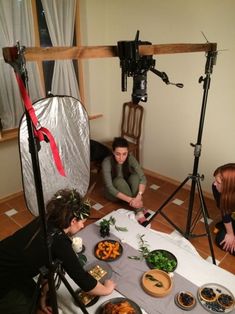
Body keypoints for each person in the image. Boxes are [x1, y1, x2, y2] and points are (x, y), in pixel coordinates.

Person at [0, 189, 116, 314]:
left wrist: (43, 295)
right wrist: (107, 289)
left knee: (38, 294)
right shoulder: (59, 241)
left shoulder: (46, 219)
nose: (83, 226)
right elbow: (83, 280)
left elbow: (45, 260)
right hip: (4, 282)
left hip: (8, 261)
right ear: (73, 221)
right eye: (82, 222)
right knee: (28, 307)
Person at [102, 137, 149, 225]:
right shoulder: (106, 162)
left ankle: (138, 208)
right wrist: (132, 200)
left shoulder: (130, 158)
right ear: (113, 152)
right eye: (118, 154)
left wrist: (139, 196)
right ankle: (139, 210)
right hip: (113, 194)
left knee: (135, 177)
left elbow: (143, 177)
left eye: (124, 154)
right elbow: (110, 188)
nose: (121, 158)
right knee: (119, 181)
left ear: (128, 152)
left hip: (126, 189)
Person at [212, 163, 235, 255]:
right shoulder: (216, 188)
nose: (214, 184)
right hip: (232, 218)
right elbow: (224, 211)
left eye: (218, 182)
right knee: (221, 240)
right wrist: (230, 234)